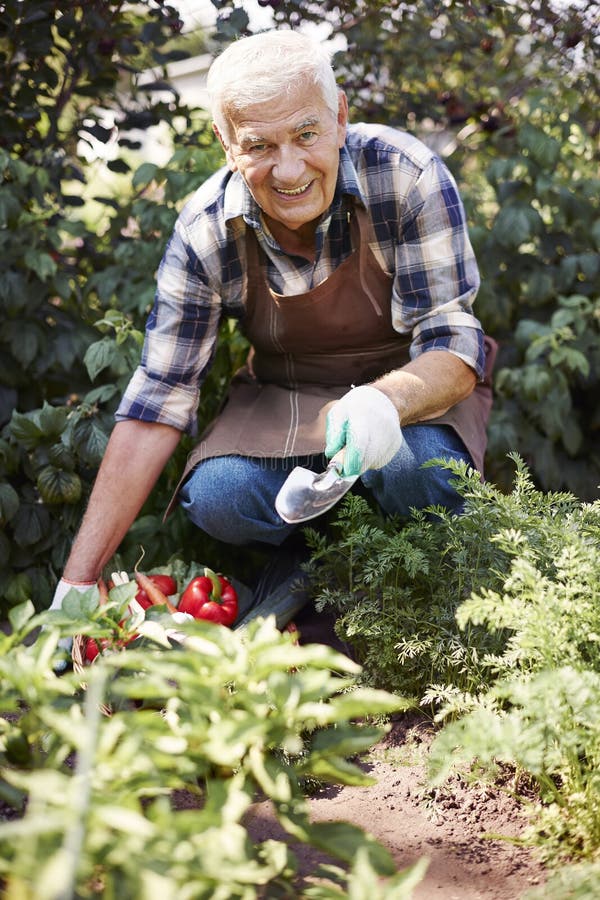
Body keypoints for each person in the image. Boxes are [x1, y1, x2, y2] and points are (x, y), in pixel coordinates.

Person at [50, 30, 495, 638]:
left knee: (417, 474)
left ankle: (407, 572)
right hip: (290, 397)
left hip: (415, 395)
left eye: (307, 134)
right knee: (219, 495)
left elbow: (452, 344)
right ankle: (321, 558)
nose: (289, 169)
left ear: (339, 116)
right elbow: (160, 395)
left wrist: (382, 401)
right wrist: (78, 583)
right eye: (259, 144)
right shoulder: (207, 231)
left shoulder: (405, 175)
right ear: (226, 143)